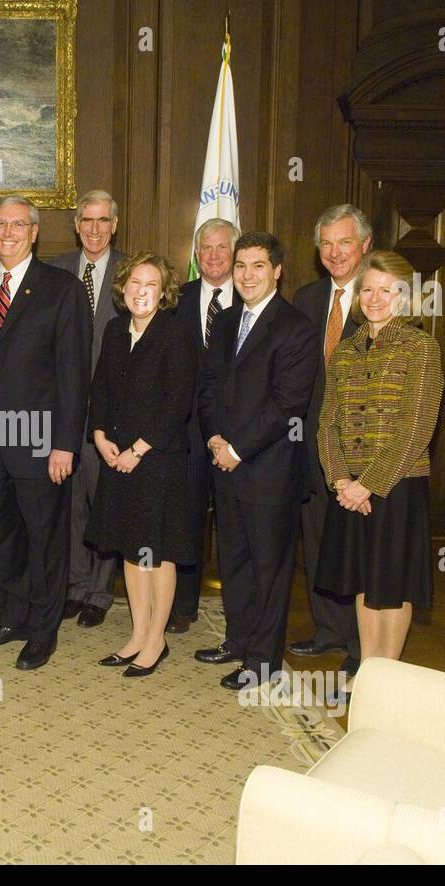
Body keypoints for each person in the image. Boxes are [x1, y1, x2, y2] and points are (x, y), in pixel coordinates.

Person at [0, 195, 91, 671]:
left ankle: (42, 630)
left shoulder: (62, 289)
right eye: (1, 224)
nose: (8, 232)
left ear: (35, 232)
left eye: (19, 225)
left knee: (44, 539)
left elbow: (73, 373)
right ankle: (11, 617)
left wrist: (64, 444)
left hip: (41, 441)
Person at [195, 232, 318, 690]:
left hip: (268, 470)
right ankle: (238, 640)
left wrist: (237, 449)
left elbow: (287, 405)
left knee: (270, 569)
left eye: (258, 266)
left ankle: (264, 662)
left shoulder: (295, 328)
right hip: (223, 463)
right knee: (235, 562)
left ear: (278, 271)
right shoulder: (225, 322)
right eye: (241, 265)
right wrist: (213, 440)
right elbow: (208, 386)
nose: (246, 274)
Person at [316, 250, 444, 677]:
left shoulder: (421, 347)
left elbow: (417, 427)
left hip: (396, 487)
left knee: (391, 586)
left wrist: (367, 484)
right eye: (367, 288)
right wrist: (339, 479)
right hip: (350, 489)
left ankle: (389, 678)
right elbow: (326, 423)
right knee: (364, 583)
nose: (374, 298)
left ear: (405, 298)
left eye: (386, 290)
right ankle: (367, 671)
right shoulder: (347, 351)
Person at [86, 253, 197, 677]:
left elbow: (177, 403)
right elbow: (100, 389)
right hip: (117, 456)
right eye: (135, 282)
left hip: (157, 460)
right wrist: (99, 435)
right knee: (133, 550)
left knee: (157, 552)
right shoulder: (116, 331)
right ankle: (136, 633)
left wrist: (138, 449)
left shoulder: (175, 334)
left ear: (163, 291)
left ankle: (156, 639)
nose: (141, 291)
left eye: (150, 284)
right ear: (123, 288)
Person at [286, 204, 372, 677]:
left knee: (359, 545)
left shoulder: (382, 296)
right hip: (312, 442)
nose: (335, 252)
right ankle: (329, 629)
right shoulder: (307, 297)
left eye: (344, 242)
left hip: (365, 448)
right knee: (316, 536)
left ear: (364, 245)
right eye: (326, 244)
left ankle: (362, 644)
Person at [51, 190, 126, 629]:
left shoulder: (133, 271)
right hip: (64, 408)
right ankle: (75, 586)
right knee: (70, 502)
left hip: (112, 410)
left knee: (104, 502)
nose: (94, 228)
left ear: (114, 225)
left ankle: (100, 592)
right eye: (87, 220)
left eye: (103, 220)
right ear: (76, 225)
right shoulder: (56, 270)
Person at [168, 217, 242, 634]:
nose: (214, 256)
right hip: (187, 433)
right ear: (196, 256)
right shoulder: (177, 298)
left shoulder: (251, 300)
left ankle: (238, 610)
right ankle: (184, 604)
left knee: (233, 525)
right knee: (188, 519)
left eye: (221, 248)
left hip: (236, 435)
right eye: (206, 249)